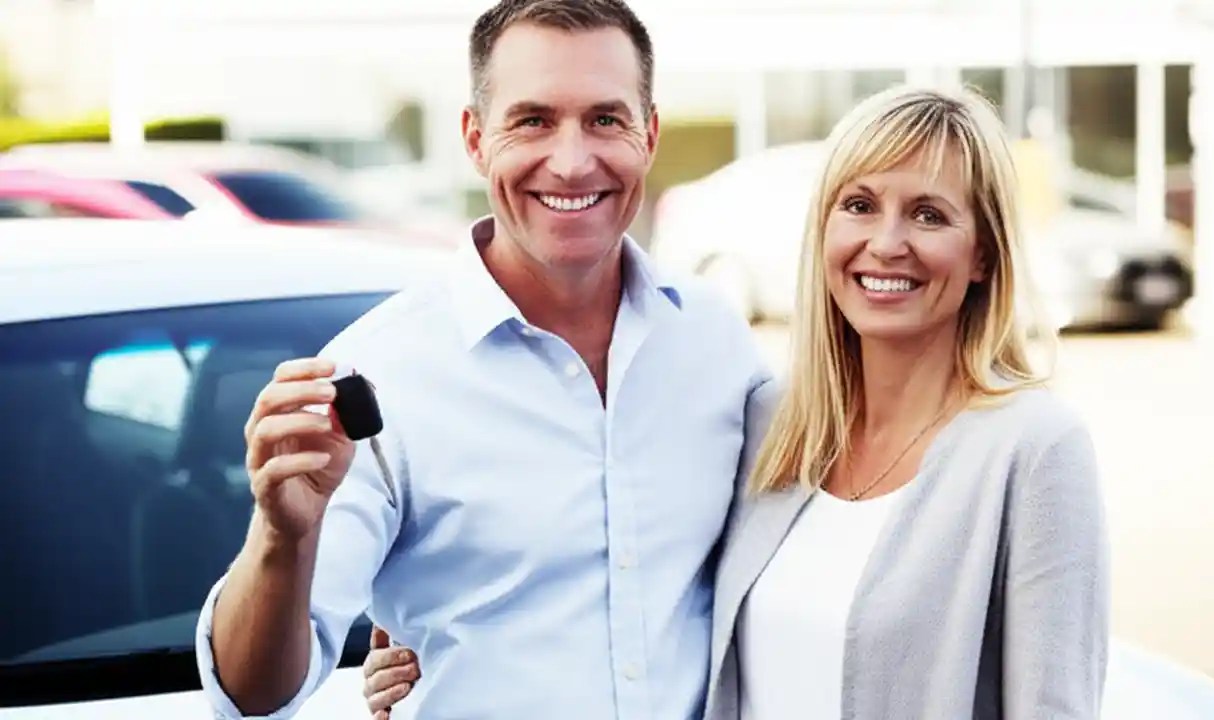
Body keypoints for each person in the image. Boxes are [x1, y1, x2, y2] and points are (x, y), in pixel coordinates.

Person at [364, 86, 1111, 719]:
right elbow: (632, 586)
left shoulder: (1031, 449)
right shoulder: (773, 424)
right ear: (823, 228)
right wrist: (441, 646)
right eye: (859, 205)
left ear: (983, 253)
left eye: (929, 215)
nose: (886, 243)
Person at [193, 1, 775, 718]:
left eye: (605, 119)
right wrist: (283, 538)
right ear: (474, 138)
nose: (570, 160)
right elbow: (251, 696)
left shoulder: (716, 340)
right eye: (532, 120)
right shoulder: (377, 376)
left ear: (648, 135)